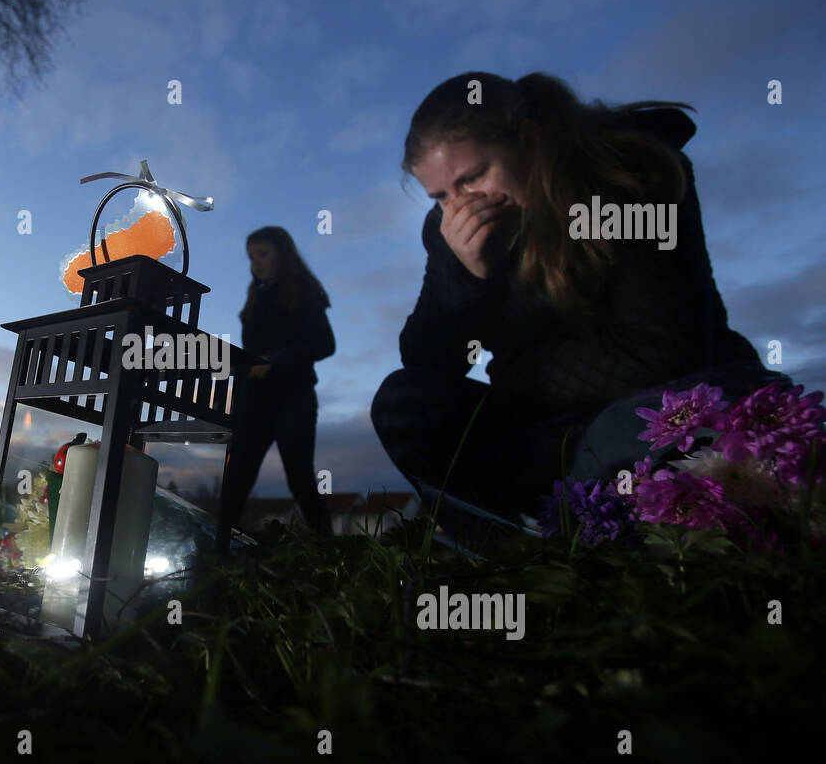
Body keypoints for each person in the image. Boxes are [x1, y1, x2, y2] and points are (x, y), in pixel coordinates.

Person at [371, 71, 788, 531]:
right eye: (440, 196)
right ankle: (497, 546)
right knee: (403, 404)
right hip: (544, 427)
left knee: (623, 433)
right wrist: (467, 276)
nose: (460, 206)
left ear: (530, 141)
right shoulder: (448, 230)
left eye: (473, 178)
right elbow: (427, 363)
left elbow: (661, 354)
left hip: (659, 408)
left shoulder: (629, 178)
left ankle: (587, 526)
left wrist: (514, 378)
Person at [219, 226, 335, 546]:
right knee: (237, 478)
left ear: (283, 254)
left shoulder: (304, 292)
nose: (255, 262)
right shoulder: (255, 297)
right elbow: (251, 354)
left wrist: (275, 360)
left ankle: (330, 551)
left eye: (263, 254)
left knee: (300, 479)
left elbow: (324, 344)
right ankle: (216, 551)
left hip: (293, 399)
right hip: (254, 402)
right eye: (251, 256)